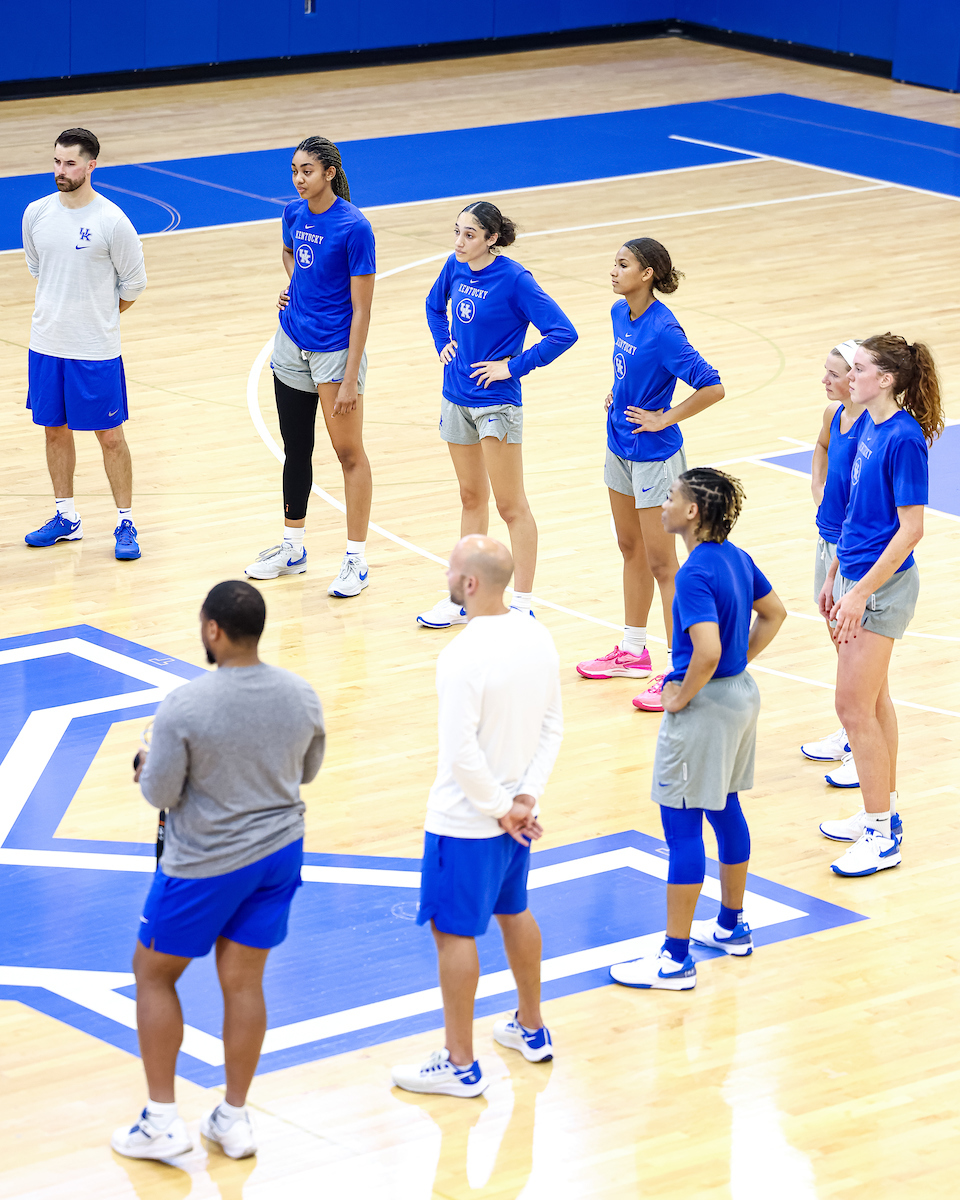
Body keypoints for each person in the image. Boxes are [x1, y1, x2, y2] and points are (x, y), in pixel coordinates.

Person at [111, 580, 325, 1161]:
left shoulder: (185, 705)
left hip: (205, 860)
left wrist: (145, 763)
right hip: (278, 856)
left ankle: (160, 1121)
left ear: (212, 630)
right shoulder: (301, 694)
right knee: (244, 982)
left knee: (153, 973)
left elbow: (159, 792)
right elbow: (306, 772)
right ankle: (233, 1117)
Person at [392, 535, 563, 1095]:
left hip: (466, 823)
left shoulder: (460, 655)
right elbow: (551, 727)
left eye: (451, 566)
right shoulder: (537, 634)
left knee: (454, 933)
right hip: (514, 816)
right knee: (515, 911)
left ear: (469, 584)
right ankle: (531, 1027)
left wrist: (498, 809)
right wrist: (524, 800)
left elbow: (461, 752)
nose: (446, 572)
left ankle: (461, 1062)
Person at [609, 468, 786, 990]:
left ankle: (674, 957)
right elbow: (774, 613)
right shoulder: (736, 557)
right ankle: (731, 926)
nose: (662, 505)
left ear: (692, 513)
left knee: (682, 825)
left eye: (670, 497)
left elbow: (705, 650)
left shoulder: (692, 575)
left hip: (704, 707)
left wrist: (678, 697)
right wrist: (738, 661)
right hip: (739, 698)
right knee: (725, 808)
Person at [577, 238, 724, 712]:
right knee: (629, 548)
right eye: (614, 263)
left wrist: (667, 416)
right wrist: (615, 393)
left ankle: (678, 668)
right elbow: (631, 369)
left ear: (648, 274)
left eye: (623, 265)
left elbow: (712, 385)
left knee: (664, 565)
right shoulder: (621, 314)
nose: (613, 271)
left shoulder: (665, 329)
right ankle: (632, 651)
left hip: (654, 456)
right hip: (618, 444)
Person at [416, 202, 577, 628]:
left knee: (510, 505)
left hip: (496, 404)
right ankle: (460, 597)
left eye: (469, 235)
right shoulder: (454, 266)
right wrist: (442, 342)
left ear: (492, 237)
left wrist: (513, 365)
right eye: (457, 232)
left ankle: (522, 601)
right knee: (471, 498)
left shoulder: (514, 279)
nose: (459, 242)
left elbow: (563, 333)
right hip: (456, 398)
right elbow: (434, 307)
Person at [818, 334, 943, 877]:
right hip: (855, 575)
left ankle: (880, 838)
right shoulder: (866, 423)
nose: (851, 375)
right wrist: (835, 571)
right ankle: (882, 816)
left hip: (882, 588)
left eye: (861, 368)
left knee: (852, 708)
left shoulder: (904, 438)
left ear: (885, 379)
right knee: (873, 701)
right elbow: (855, 510)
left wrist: (861, 589)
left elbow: (911, 529)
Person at [245, 136, 375, 599]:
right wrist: (295, 286)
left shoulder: (354, 228)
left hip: (334, 353)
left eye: (307, 171)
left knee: (348, 454)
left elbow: (362, 310)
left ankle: (356, 560)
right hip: (290, 342)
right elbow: (290, 254)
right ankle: (292, 548)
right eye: (295, 171)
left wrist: (349, 378)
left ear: (330, 173)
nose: (299, 180)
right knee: (295, 448)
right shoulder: (293, 213)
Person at [21, 128, 147, 560]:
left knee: (110, 436)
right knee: (54, 430)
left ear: (92, 165)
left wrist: (99, 317)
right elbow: (39, 268)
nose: (61, 170)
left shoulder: (112, 221)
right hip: (46, 344)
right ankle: (66, 517)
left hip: (94, 350)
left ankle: (125, 522)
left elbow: (134, 284)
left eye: (70, 163)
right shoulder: (36, 213)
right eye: (56, 161)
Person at [800, 340, 866, 790]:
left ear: (855, 378)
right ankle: (851, 730)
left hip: (850, 548)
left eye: (833, 373)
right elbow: (821, 448)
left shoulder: (872, 425)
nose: (825, 380)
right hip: (827, 537)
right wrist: (818, 487)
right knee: (837, 638)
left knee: (857, 648)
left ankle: (860, 740)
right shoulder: (832, 416)